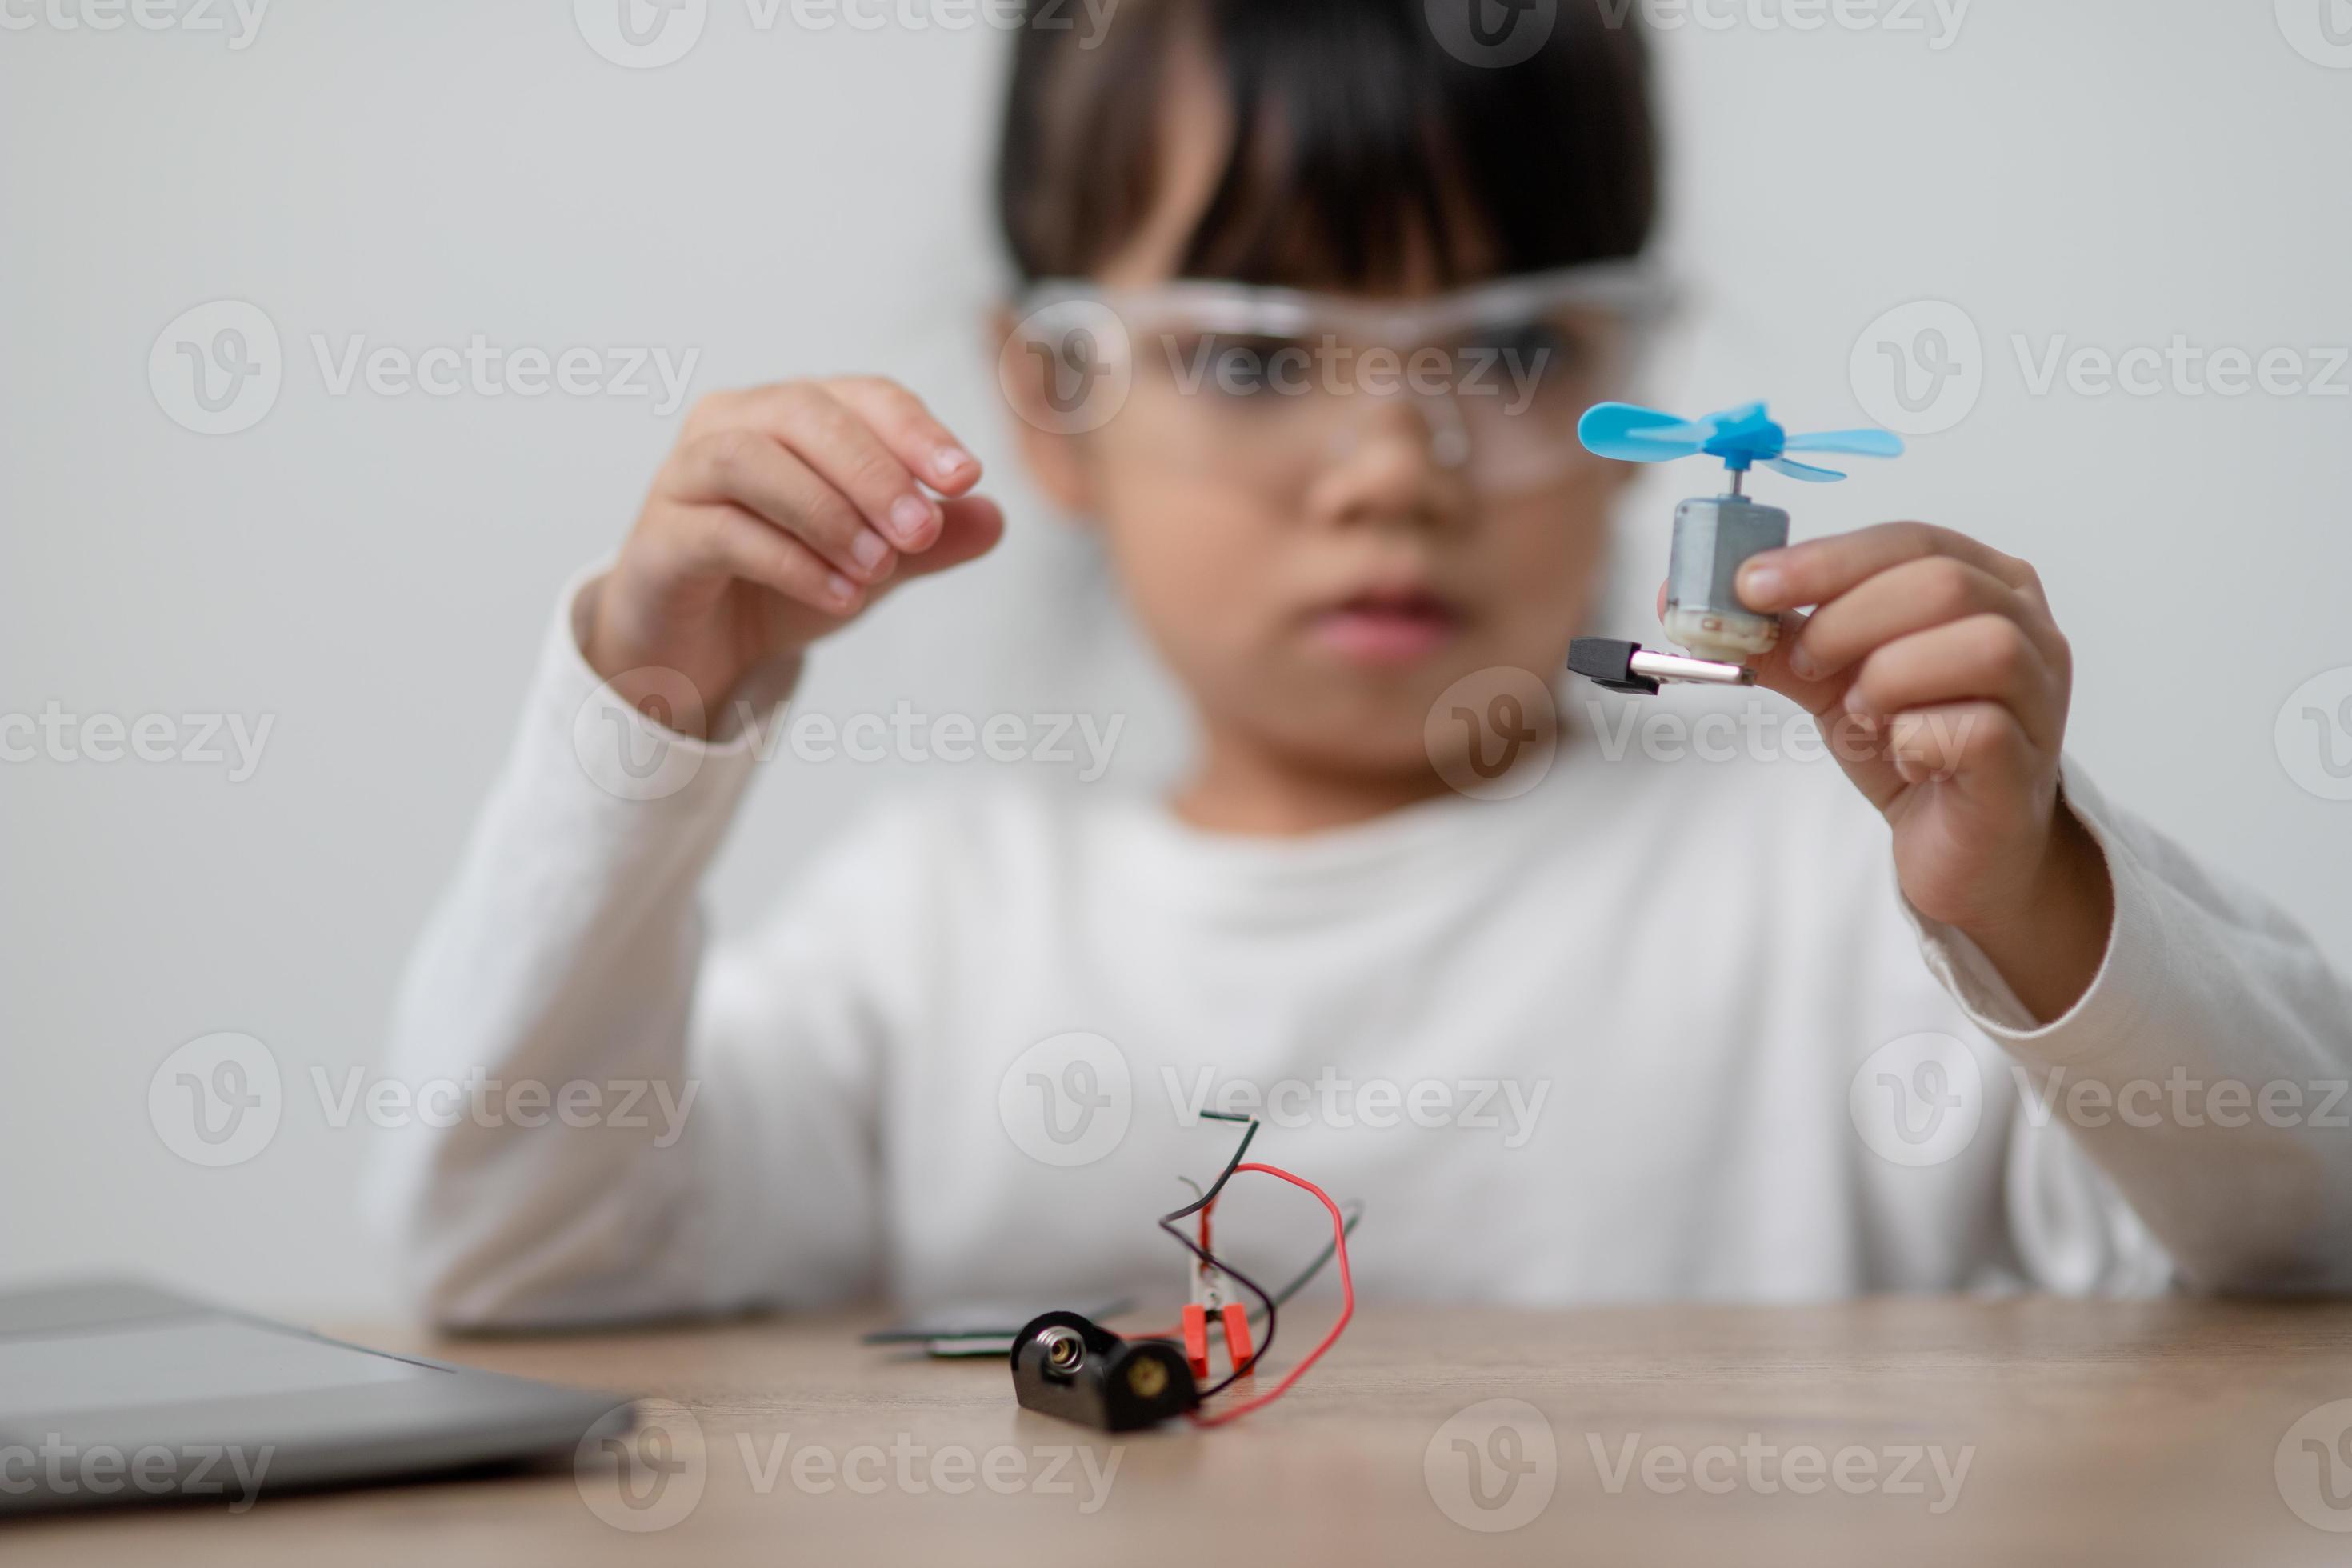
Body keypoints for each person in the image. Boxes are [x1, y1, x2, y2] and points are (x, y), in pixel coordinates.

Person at [369, 0, 2350, 1328]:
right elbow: (505, 1254)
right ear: (1049, 400)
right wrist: (648, 713)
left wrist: (2040, 895)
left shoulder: (1860, 898)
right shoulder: (940, 934)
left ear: (1623, 371)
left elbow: (2310, 1224)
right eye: (1252, 351)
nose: (1394, 467)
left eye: (1504, 350)